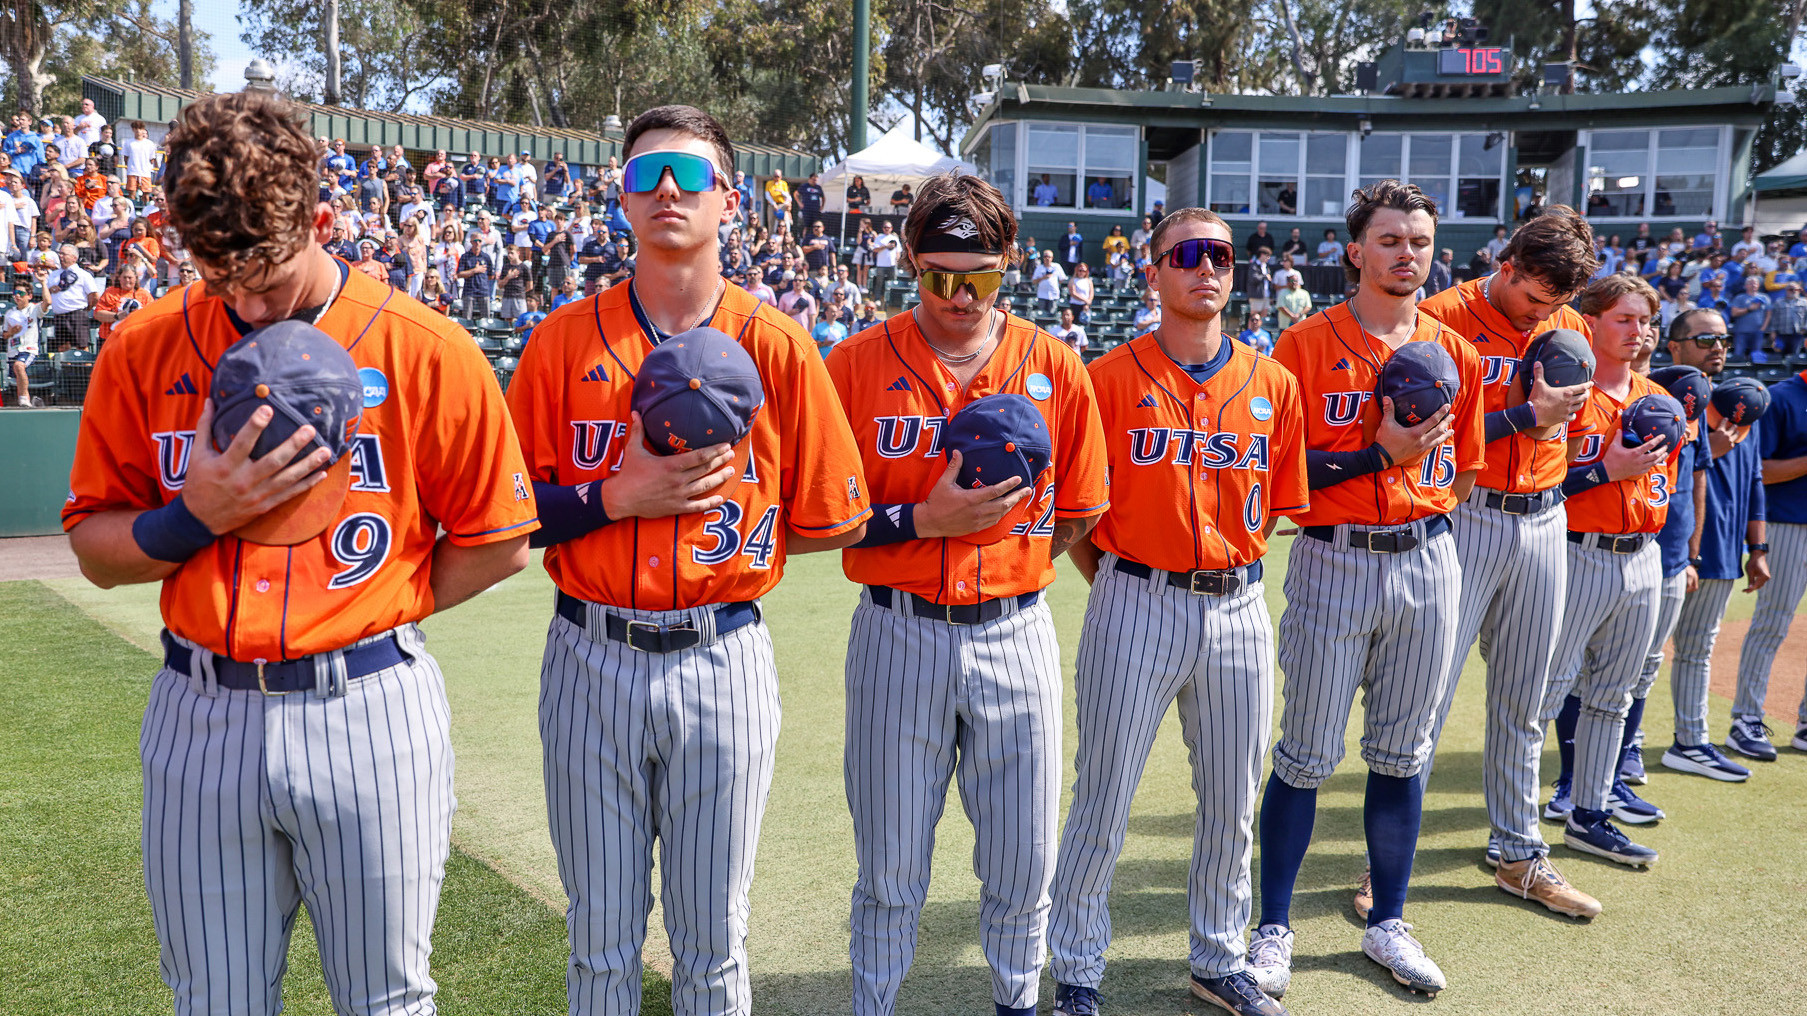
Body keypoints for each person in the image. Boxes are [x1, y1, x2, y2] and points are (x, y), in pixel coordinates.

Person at [63, 87, 536, 1016]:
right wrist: (190, 517)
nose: (242, 298)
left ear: (322, 220)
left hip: (370, 708)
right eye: (216, 274)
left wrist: (372, 615)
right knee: (214, 1001)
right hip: (200, 711)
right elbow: (93, 546)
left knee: (387, 1000)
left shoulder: (426, 350)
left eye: (266, 275)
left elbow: (498, 543)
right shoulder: (143, 347)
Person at [505, 104, 869, 1016]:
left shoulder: (780, 344)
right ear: (621, 201)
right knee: (599, 939)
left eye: (691, 175)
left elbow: (832, 517)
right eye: (645, 176)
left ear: (730, 201)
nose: (667, 189)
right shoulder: (558, 343)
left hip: (724, 650)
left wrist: (732, 532)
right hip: (589, 654)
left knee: (715, 939)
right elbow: (502, 519)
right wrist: (613, 499)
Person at [824, 169, 1107, 1016]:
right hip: (896, 630)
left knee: (1023, 860)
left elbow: (1078, 513)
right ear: (909, 261)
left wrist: (1007, 560)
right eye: (939, 276)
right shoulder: (852, 365)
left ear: (1008, 265)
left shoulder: (1053, 365)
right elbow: (822, 521)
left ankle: (1015, 1003)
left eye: (978, 278)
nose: (958, 296)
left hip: (1013, 628)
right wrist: (923, 521)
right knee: (890, 865)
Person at [1047, 206, 1306, 1016]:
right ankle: (1077, 970)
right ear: (1152, 272)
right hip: (1134, 598)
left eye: (1221, 255)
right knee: (1104, 794)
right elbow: (1080, 516)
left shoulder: (1274, 385)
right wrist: (1125, 580)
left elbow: (1271, 510)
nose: (1207, 268)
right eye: (1187, 254)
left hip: (1237, 604)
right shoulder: (1105, 379)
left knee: (1232, 799)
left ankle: (1218, 958)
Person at [1251, 180, 1482, 1001]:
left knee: (1404, 752)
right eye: (1388, 240)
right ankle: (1272, 928)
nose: (1405, 254)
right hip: (1333, 554)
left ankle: (1387, 920)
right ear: (1354, 251)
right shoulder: (1302, 345)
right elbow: (1275, 471)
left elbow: (1463, 473)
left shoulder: (1458, 353)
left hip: (1427, 557)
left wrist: (1415, 512)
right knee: (1306, 753)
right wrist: (1375, 460)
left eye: (1418, 241)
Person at [1414, 206, 1607, 909]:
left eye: (1554, 304)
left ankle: (1519, 853)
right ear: (1505, 268)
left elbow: (1572, 425)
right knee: (1423, 698)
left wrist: (1552, 416)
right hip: (1464, 513)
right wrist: (1523, 413)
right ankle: (1390, 861)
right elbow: (1424, 435)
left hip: (1543, 517)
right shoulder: (1439, 318)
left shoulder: (1569, 326)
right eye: (1531, 297)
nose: (1539, 315)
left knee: (1525, 699)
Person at [1538, 274, 1683, 871]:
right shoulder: (1569, 393)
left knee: (1614, 696)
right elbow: (1542, 484)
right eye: (1624, 319)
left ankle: (1590, 815)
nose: (1638, 331)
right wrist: (1605, 469)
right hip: (1578, 550)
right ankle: (1516, 827)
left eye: (1645, 322)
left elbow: (1659, 486)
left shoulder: (1660, 399)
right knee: (1542, 693)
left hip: (1642, 554)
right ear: (1589, 322)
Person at [1731, 346, 1807, 756]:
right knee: (1772, 624)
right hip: (1788, 525)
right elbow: (1760, 471)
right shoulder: (1781, 397)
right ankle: (1747, 718)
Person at [44, 243, 101, 351]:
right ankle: (65, 368)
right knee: (63, 347)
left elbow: (94, 295)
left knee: (81, 346)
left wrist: (87, 308)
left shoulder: (83, 274)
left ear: (74, 258)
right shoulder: (53, 274)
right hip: (60, 316)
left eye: (64, 254)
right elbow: (47, 292)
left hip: (77, 314)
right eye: (59, 254)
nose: (60, 256)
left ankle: (85, 367)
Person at [4, 283, 46, 406]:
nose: (17, 296)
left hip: (29, 349)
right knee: (17, 375)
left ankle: (24, 399)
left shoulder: (34, 309)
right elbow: (5, 335)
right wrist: (12, 331)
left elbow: (47, 302)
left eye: (21, 293)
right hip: (12, 350)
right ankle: (27, 403)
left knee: (19, 366)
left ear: (29, 296)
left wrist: (43, 282)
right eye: (15, 293)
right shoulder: (10, 313)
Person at [92, 261, 152, 344]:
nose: (127, 280)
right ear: (119, 278)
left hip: (136, 338)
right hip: (110, 338)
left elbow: (152, 315)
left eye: (130, 278)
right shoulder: (110, 292)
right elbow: (98, 314)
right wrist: (116, 316)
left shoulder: (144, 294)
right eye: (124, 277)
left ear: (135, 278)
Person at [1729, 275, 1772, 361]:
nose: (1753, 285)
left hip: (1758, 331)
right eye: (1750, 283)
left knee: (1756, 355)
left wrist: (1763, 328)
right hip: (1741, 331)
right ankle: (1738, 370)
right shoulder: (1739, 297)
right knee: (1738, 354)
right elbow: (1734, 313)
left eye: (1755, 283)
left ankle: (1755, 372)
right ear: (1745, 286)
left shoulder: (1765, 297)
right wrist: (1749, 309)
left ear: (1758, 285)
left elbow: (1769, 314)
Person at [1763, 280, 1807, 359]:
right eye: (1790, 289)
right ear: (1786, 290)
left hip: (1797, 334)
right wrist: (1773, 331)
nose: (1793, 291)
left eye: (1795, 289)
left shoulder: (1804, 302)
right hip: (1781, 334)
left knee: (1793, 356)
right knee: (1779, 355)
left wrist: (1805, 328)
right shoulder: (1779, 302)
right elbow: (1774, 318)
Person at [456, 233, 495, 318]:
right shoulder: (465, 257)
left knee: (486, 318)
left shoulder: (486, 257)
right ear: (471, 242)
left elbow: (490, 276)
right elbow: (459, 274)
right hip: (469, 291)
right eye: (475, 241)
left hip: (483, 291)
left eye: (479, 241)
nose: (477, 243)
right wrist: (474, 270)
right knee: (467, 318)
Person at [1031, 248, 1067, 317]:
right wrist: (1043, 278)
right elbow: (1034, 281)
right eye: (1045, 256)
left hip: (1053, 296)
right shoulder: (1039, 268)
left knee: (1052, 315)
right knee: (1041, 315)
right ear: (1043, 258)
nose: (1047, 258)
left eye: (1049, 257)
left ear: (1052, 258)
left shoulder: (1057, 266)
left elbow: (1062, 279)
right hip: (1042, 296)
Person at [813, 290, 849, 355]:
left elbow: (846, 344)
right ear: (826, 313)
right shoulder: (818, 327)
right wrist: (824, 343)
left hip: (837, 359)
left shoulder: (842, 327)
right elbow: (812, 343)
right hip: (822, 360)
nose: (834, 314)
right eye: (832, 312)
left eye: (835, 312)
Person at [1245, 248, 1275, 326]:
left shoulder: (1266, 266)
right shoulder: (1254, 265)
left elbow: (1269, 283)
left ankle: (1261, 332)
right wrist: (1265, 277)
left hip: (1266, 296)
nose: (1268, 258)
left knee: (1264, 316)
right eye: (1267, 256)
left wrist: (1271, 296)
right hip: (1256, 296)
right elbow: (1253, 278)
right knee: (1254, 316)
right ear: (1262, 255)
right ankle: (1251, 332)